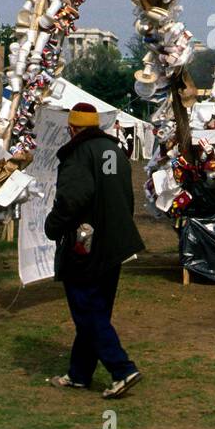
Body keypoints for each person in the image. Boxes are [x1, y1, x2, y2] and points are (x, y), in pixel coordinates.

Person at [46, 103, 146, 399]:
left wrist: (52, 226)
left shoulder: (79, 153)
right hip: (115, 241)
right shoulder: (114, 151)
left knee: (87, 310)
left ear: (73, 129)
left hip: (87, 244)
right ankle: (79, 374)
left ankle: (122, 368)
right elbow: (124, 197)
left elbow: (73, 198)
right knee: (95, 308)